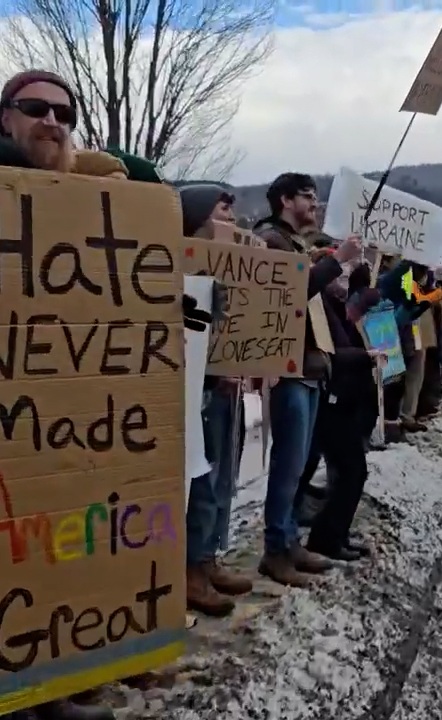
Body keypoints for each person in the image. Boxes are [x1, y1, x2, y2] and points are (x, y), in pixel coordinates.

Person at [0, 69, 194, 720]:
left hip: (74, 418)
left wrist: (158, 306)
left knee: (67, 544)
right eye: (35, 108)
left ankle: (55, 684)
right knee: (4, 563)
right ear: (5, 119)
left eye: (64, 113)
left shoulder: (95, 199)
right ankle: (14, 698)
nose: (51, 121)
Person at [252, 172, 361, 586]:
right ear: (285, 200)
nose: (315, 204)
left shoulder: (295, 244)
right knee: (289, 464)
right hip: (291, 368)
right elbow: (290, 292)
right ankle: (276, 549)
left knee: (299, 465)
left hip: (310, 367)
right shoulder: (271, 240)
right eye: (307, 196)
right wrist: (337, 261)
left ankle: (289, 541)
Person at [179, 184, 255, 617]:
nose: (227, 218)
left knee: (217, 480)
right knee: (201, 485)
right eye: (219, 210)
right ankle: (191, 570)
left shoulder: (218, 267)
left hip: (215, 387)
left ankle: (205, 559)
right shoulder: (178, 264)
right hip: (194, 390)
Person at [305, 247, 381, 560]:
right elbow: (332, 353)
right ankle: (326, 538)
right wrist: (366, 356)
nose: (344, 282)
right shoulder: (318, 306)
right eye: (340, 275)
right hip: (332, 400)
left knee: (350, 472)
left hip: (347, 400)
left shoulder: (337, 307)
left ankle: (335, 534)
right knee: (350, 471)